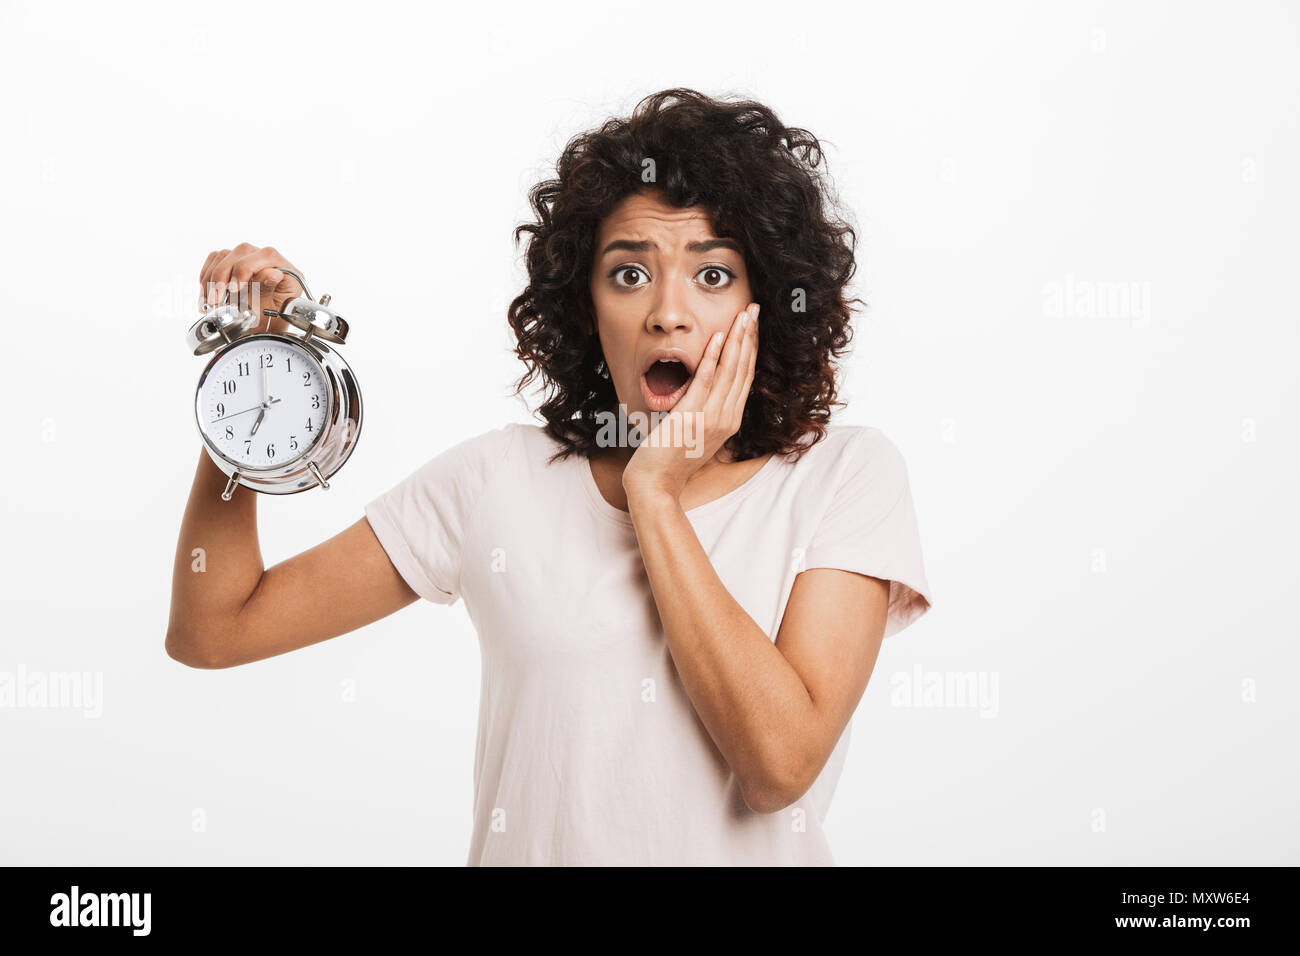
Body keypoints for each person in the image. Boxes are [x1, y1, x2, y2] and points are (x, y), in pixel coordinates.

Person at [166, 88, 934, 866]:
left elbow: (778, 766)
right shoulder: (500, 479)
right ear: (584, 305)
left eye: (712, 276)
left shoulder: (846, 476)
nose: (667, 314)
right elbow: (215, 629)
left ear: (766, 300)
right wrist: (256, 379)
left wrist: (655, 493)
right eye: (629, 275)